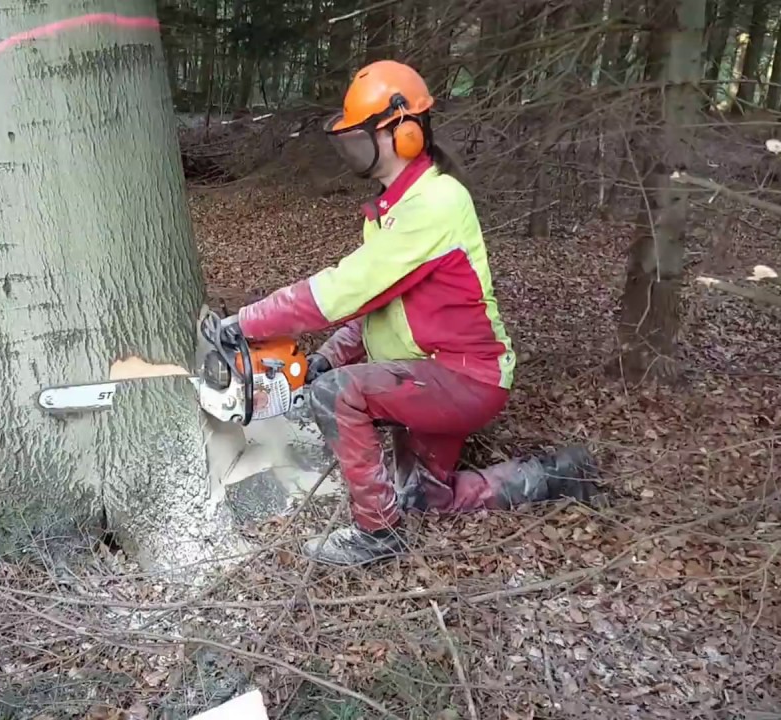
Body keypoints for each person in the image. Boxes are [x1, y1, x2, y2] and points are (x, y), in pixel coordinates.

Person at [219, 60, 605, 566]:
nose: (353, 150)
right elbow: (375, 307)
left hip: (464, 378)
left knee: (339, 396)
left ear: (403, 132)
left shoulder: (435, 204)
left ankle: (376, 534)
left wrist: (244, 323)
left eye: (363, 137)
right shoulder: (394, 208)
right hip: (431, 376)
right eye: (349, 140)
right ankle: (553, 475)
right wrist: (326, 360)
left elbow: (342, 291)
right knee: (425, 496)